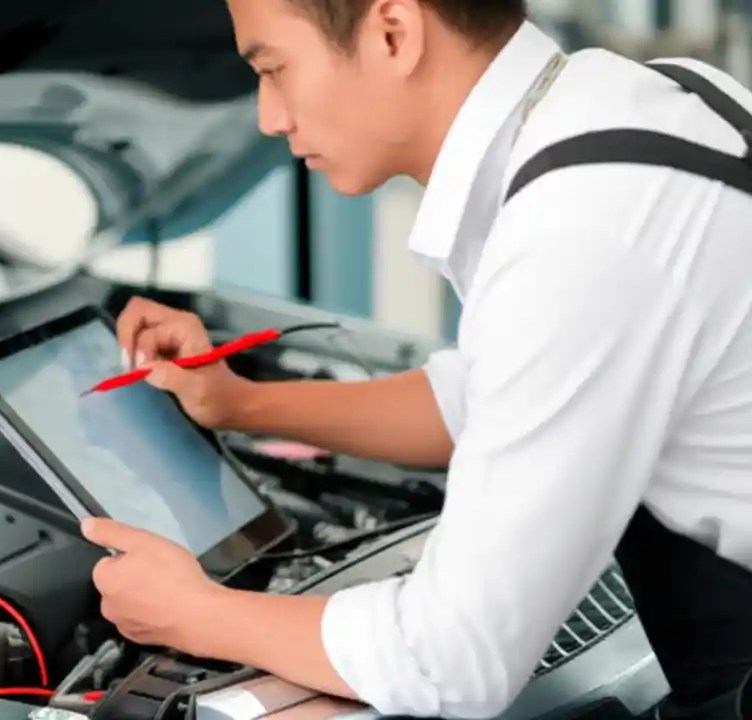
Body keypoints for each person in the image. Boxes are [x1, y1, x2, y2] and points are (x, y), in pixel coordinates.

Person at [77, 1, 752, 718]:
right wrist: (239, 402)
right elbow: (485, 397)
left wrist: (196, 613)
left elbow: (451, 660)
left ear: (393, 32)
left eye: (274, 69)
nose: (269, 116)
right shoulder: (653, 100)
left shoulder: (580, 230)